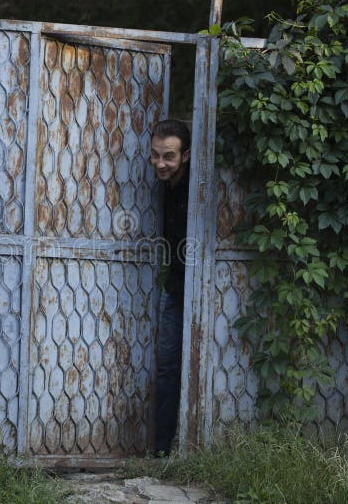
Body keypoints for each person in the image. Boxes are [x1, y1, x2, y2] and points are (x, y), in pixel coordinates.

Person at [149, 118, 191, 456]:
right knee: (167, 366)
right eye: (156, 156)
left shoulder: (198, 188)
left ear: (186, 156)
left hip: (204, 290)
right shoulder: (162, 188)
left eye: (169, 157)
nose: (160, 164)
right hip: (176, 290)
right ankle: (162, 450)